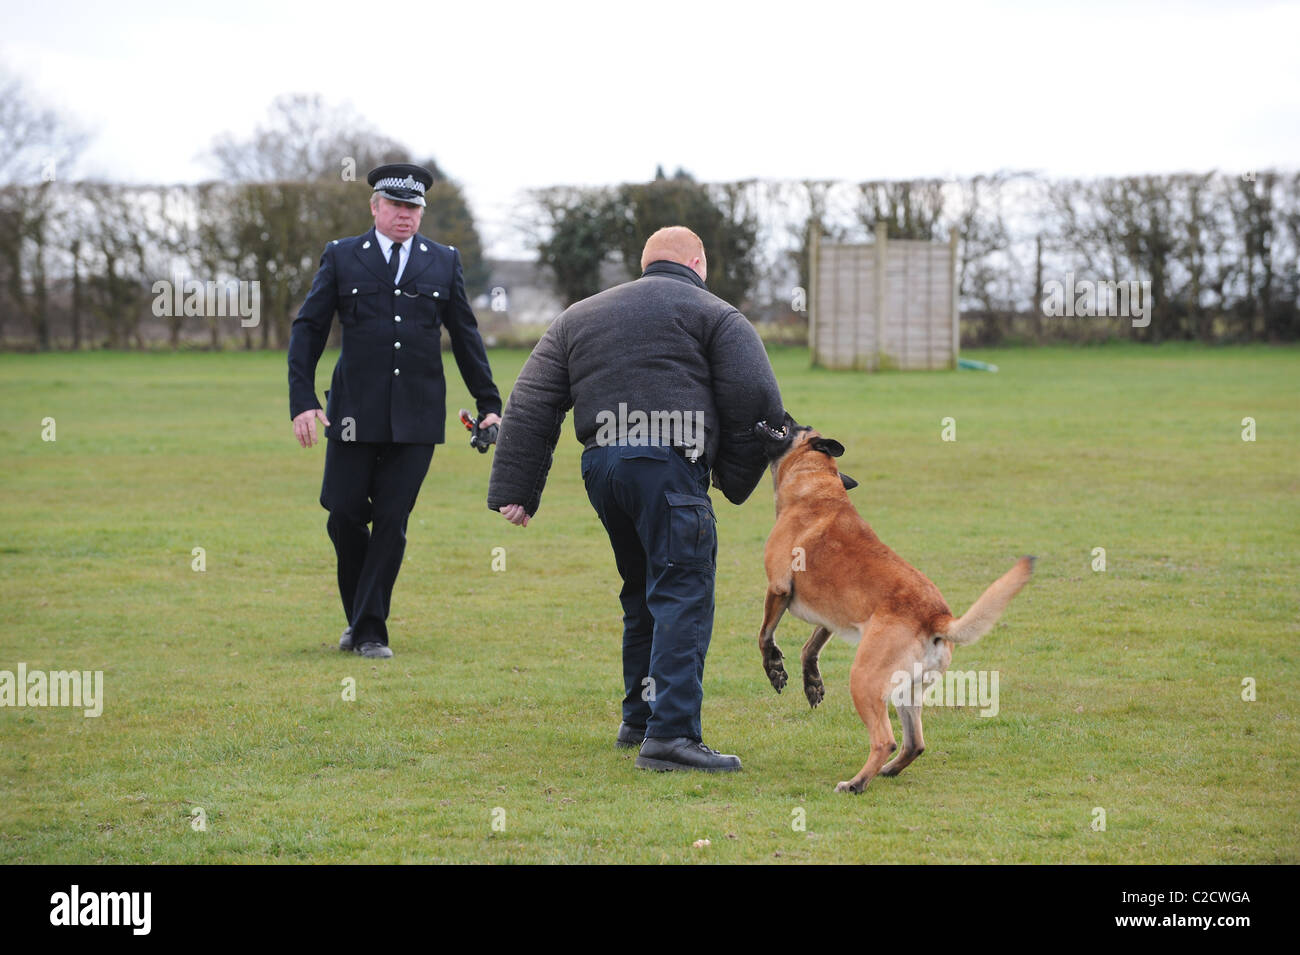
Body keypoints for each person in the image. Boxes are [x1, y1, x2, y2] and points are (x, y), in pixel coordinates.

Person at [488, 226, 783, 771]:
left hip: (602, 467)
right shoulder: (715, 313)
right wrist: (733, 480)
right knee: (682, 592)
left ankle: (640, 718)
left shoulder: (580, 315)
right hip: (666, 465)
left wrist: (516, 490)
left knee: (643, 591)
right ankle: (672, 736)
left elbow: (532, 400)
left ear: (645, 263)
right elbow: (757, 404)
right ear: (697, 261)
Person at [289, 163, 502, 659]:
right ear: (375, 207)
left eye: (414, 208)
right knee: (343, 514)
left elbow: (466, 336)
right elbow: (308, 330)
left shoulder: (444, 261)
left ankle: (368, 631)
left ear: (421, 213)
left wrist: (488, 403)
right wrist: (303, 401)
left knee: (391, 517)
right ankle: (361, 616)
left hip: (418, 415)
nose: (405, 215)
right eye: (396, 206)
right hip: (351, 414)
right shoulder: (342, 257)